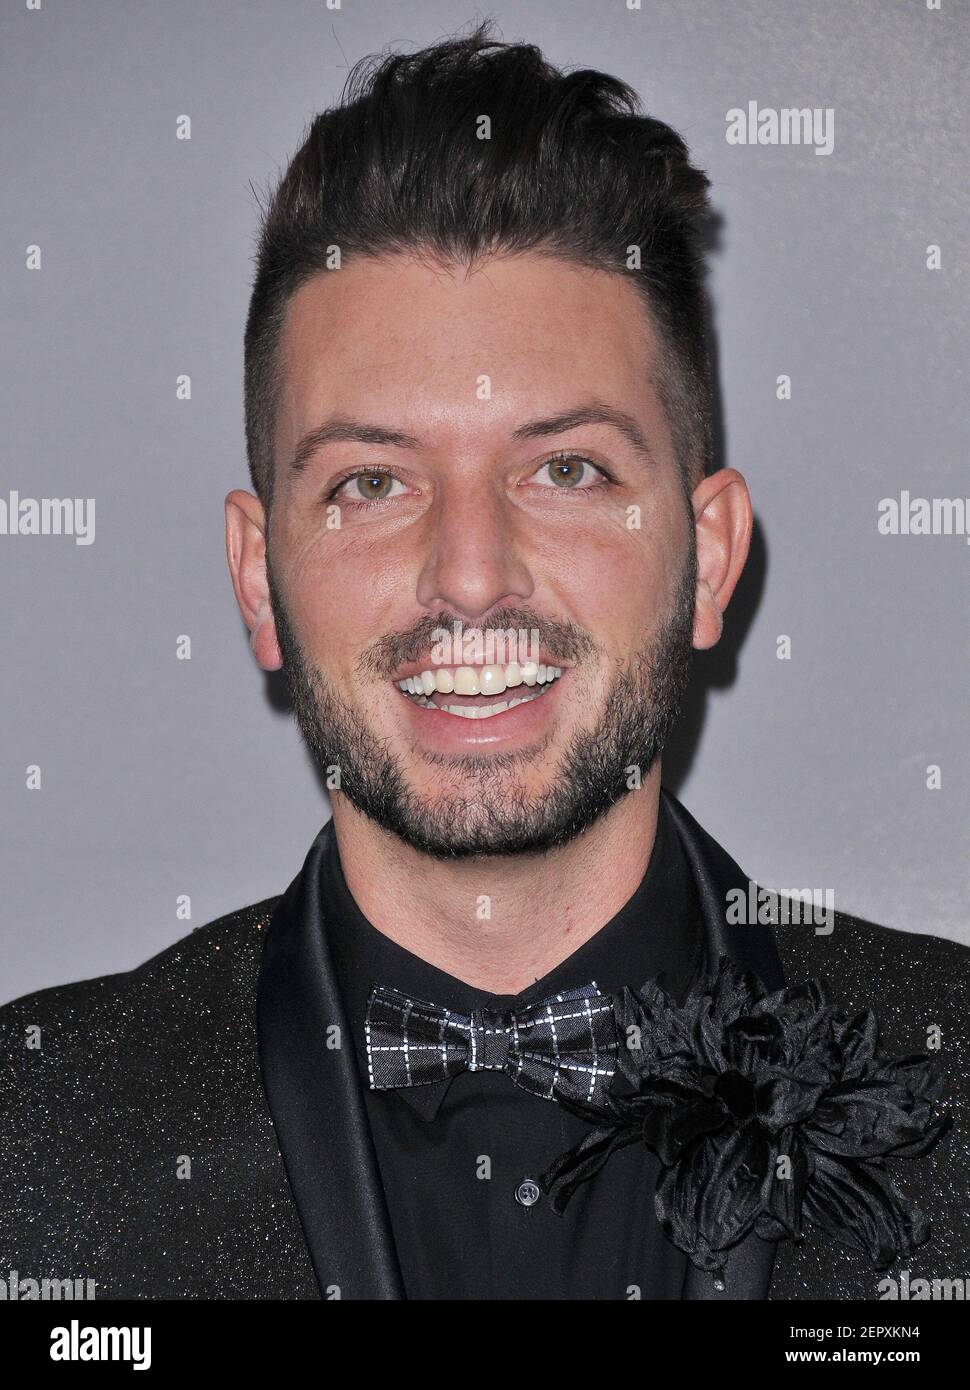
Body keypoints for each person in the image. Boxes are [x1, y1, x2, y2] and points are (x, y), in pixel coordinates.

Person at [1, 23, 966, 1302]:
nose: (469, 574)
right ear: (258, 579)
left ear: (711, 556)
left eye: (566, 470)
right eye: (370, 481)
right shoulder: (31, 1132)